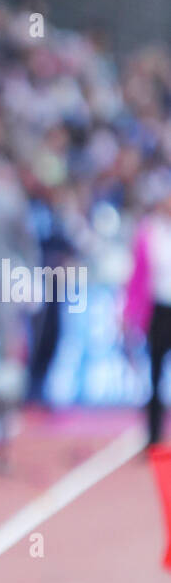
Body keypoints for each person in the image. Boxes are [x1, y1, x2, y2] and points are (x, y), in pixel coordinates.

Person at [124, 174, 171, 446]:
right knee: (154, 373)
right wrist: (130, 312)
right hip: (159, 311)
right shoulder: (149, 233)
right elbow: (138, 277)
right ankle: (153, 435)